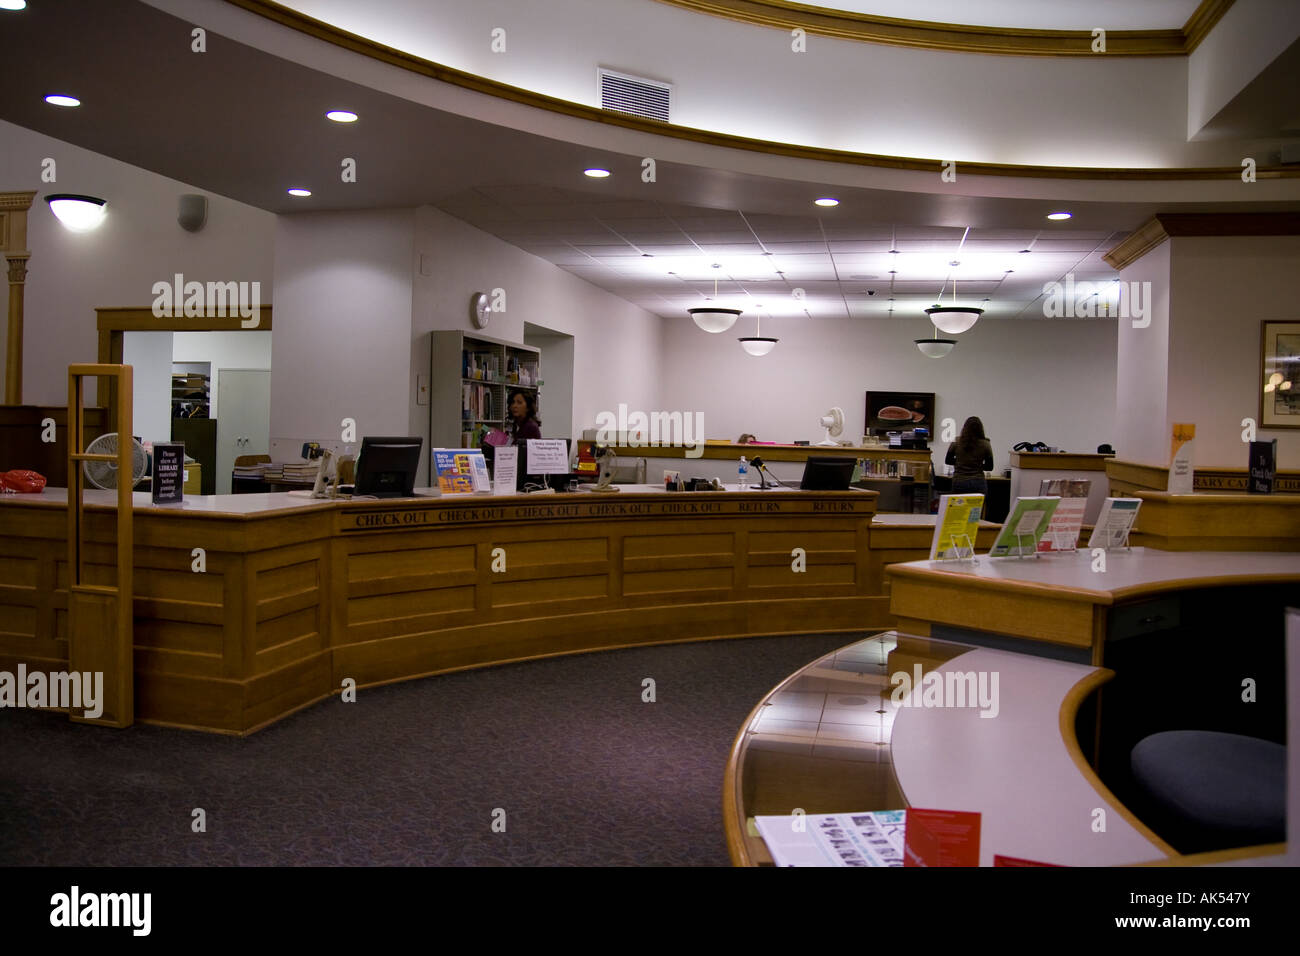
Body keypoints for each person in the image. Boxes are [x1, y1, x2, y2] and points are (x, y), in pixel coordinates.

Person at [945, 416, 994, 495]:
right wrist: (978, 465)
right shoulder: (986, 444)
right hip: (978, 482)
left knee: (959, 506)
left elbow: (948, 460)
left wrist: (960, 463)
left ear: (965, 428)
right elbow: (990, 467)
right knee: (978, 507)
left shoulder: (956, 442)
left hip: (959, 481)